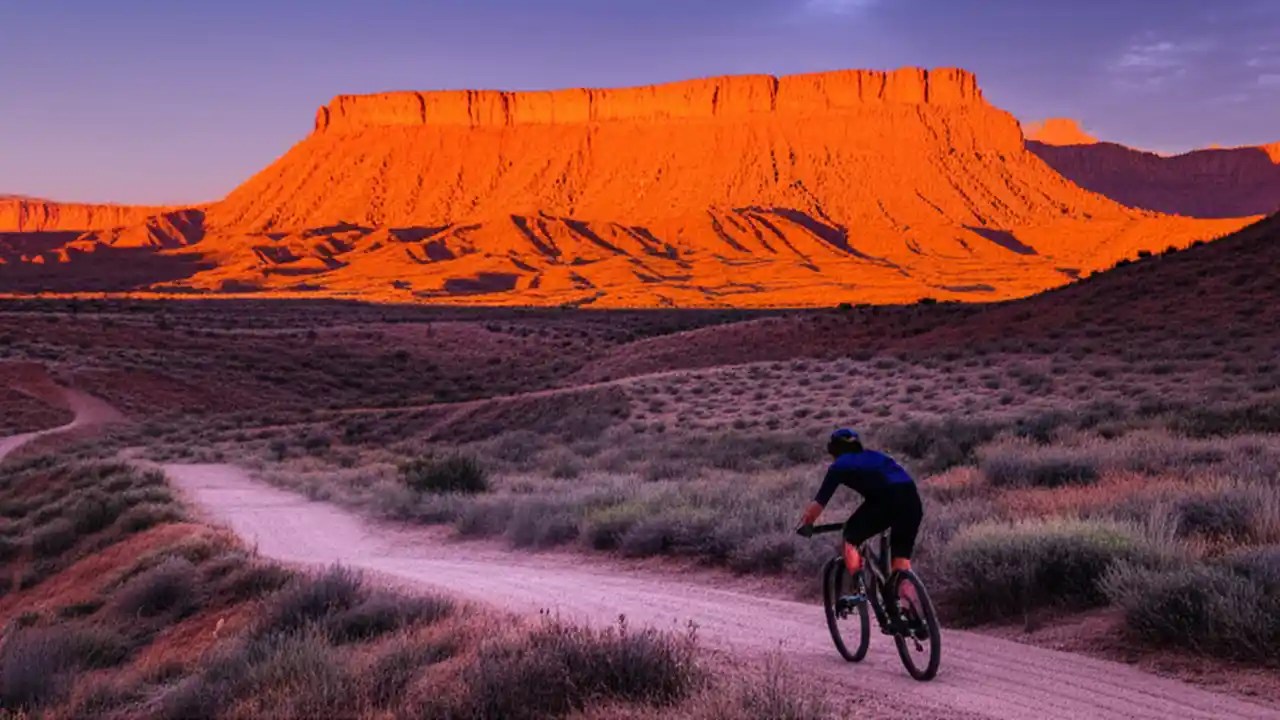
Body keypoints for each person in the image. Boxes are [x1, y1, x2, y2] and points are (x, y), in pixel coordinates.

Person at [798, 428, 923, 593]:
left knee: (850, 537)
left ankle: (859, 588)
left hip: (884, 500)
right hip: (911, 499)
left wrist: (807, 523)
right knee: (901, 560)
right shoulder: (877, 456)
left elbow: (819, 503)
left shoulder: (839, 466)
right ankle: (908, 612)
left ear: (833, 449)